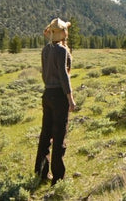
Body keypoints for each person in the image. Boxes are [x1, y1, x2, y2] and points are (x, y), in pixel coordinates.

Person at [35, 18, 77, 185]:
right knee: (59, 136)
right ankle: (58, 178)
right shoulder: (61, 50)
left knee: (46, 135)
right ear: (62, 33)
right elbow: (64, 76)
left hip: (47, 94)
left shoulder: (45, 50)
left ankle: (41, 173)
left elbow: (45, 74)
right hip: (59, 96)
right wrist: (70, 98)